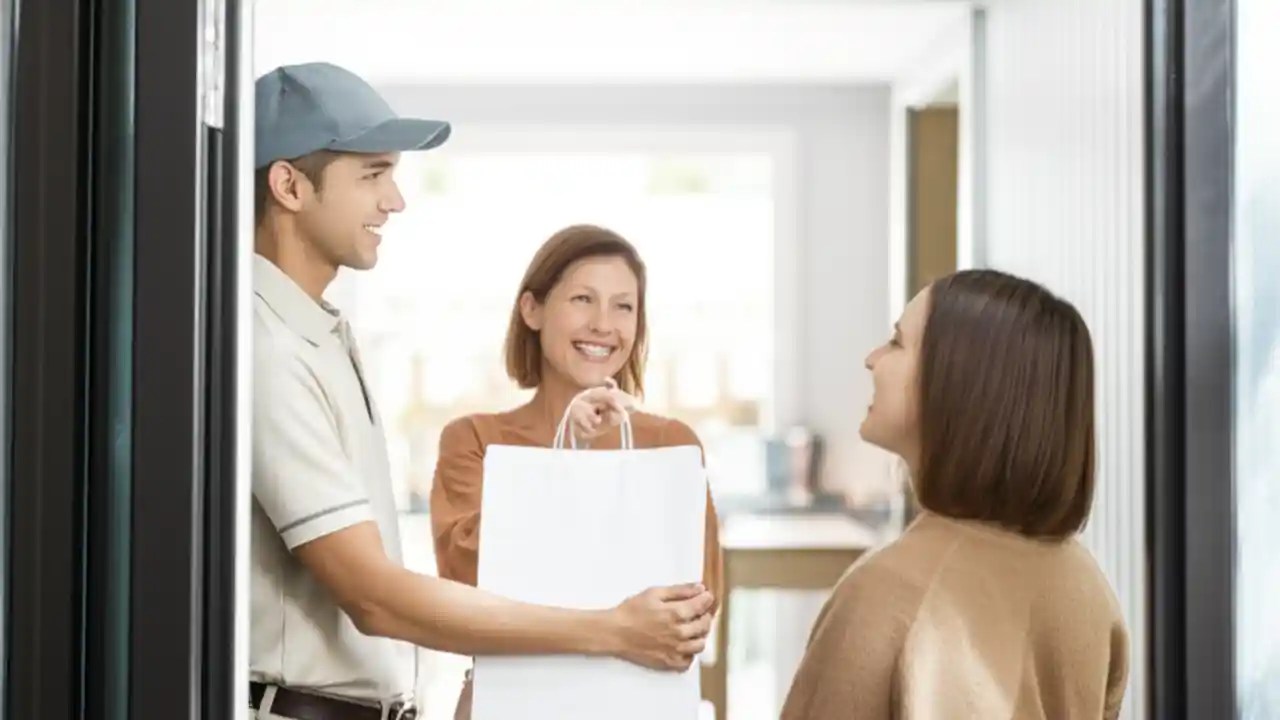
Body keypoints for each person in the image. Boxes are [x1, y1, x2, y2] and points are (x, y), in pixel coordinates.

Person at [251, 63, 715, 720]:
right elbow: (373, 595)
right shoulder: (268, 349)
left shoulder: (319, 336)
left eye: (624, 306)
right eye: (373, 175)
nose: (395, 200)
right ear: (289, 186)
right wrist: (613, 629)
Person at [780, 269, 1129, 720]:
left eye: (897, 343)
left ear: (958, 380)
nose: (872, 359)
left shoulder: (887, 592)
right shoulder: (1086, 585)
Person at [431, 224, 725, 718]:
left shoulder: (672, 445)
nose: (603, 324)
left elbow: (695, 610)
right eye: (583, 299)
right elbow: (468, 584)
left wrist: (551, 609)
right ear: (532, 310)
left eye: (623, 306)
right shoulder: (475, 441)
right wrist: (569, 457)